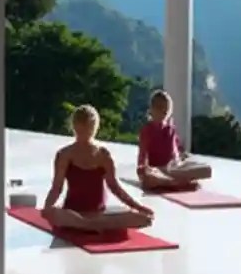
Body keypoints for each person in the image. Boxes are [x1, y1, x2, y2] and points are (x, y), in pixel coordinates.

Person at [41, 105, 154, 233]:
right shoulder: (64, 154)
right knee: (55, 213)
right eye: (82, 127)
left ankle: (88, 225)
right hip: (73, 213)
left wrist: (138, 207)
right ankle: (92, 225)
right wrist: (47, 208)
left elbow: (115, 187)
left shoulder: (102, 154)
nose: (84, 130)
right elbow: (56, 188)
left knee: (143, 219)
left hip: (98, 212)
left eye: (86, 127)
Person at [137, 90, 212, 191]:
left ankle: (171, 182)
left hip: (175, 168)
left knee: (207, 170)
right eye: (160, 108)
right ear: (152, 109)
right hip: (159, 170)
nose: (164, 112)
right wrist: (143, 169)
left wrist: (183, 156)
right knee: (148, 177)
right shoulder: (147, 130)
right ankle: (175, 183)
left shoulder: (171, 129)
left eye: (166, 109)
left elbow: (177, 149)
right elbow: (143, 155)